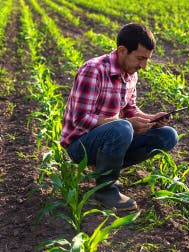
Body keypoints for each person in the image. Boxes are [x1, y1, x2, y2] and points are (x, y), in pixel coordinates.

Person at [60, 23, 178, 211]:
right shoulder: (93, 70)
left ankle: (105, 169)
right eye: (140, 58)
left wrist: (151, 119)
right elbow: (80, 119)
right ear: (122, 51)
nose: (144, 66)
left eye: (147, 59)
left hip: (110, 137)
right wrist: (126, 123)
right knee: (122, 128)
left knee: (167, 135)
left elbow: (130, 110)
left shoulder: (131, 74)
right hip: (80, 145)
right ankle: (105, 189)